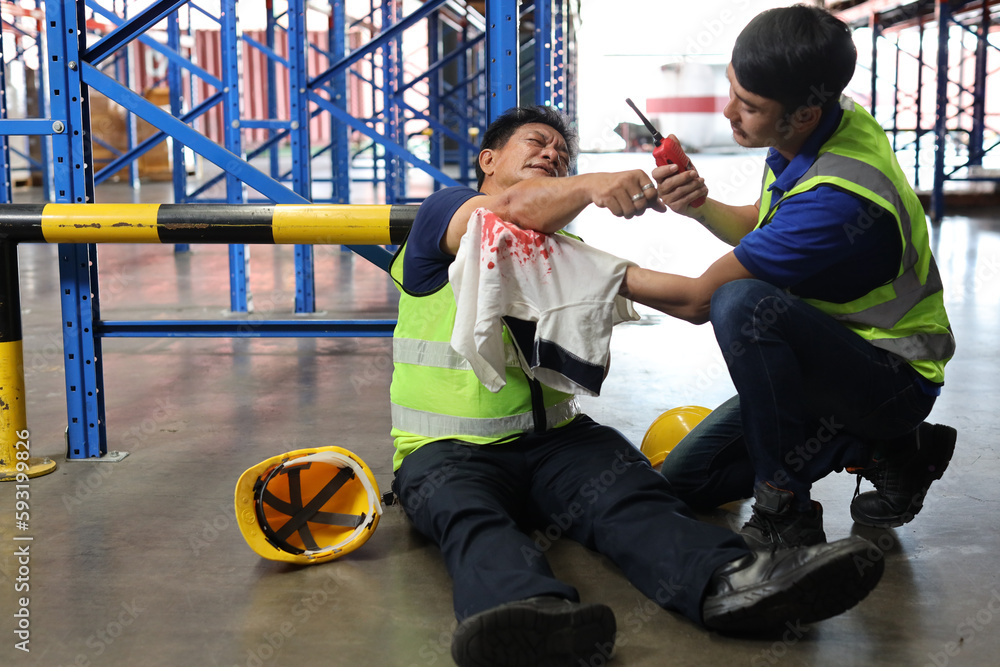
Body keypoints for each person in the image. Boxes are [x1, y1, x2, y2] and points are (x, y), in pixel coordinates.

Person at [389, 104, 884, 667]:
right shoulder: (443, 214)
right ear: (489, 159)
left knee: (634, 497)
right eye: (536, 142)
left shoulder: (564, 255)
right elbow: (507, 210)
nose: (552, 154)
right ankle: (524, 615)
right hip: (447, 452)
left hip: (556, 444)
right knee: (470, 520)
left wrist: (763, 234)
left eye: (562, 152)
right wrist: (595, 182)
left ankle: (732, 583)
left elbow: (694, 299)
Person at [618, 5, 957, 550]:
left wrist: (595, 274)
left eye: (748, 106)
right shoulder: (818, 126)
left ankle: (786, 509)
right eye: (732, 90)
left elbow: (700, 301)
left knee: (741, 304)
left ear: (803, 113)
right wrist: (702, 206)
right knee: (688, 483)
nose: (729, 112)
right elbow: (763, 224)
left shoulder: (837, 199)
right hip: (828, 359)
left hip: (890, 376)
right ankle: (893, 451)